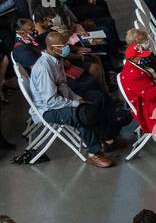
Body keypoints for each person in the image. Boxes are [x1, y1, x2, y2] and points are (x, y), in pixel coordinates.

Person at [25, 31, 114, 166]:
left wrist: (77, 99)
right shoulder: (44, 68)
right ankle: (94, 153)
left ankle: (106, 137)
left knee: (98, 96)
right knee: (83, 114)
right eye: (62, 46)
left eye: (66, 44)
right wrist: (76, 103)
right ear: (52, 48)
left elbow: (64, 87)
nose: (66, 48)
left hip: (62, 99)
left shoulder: (56, 59)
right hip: (49, 109)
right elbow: (51, 101)